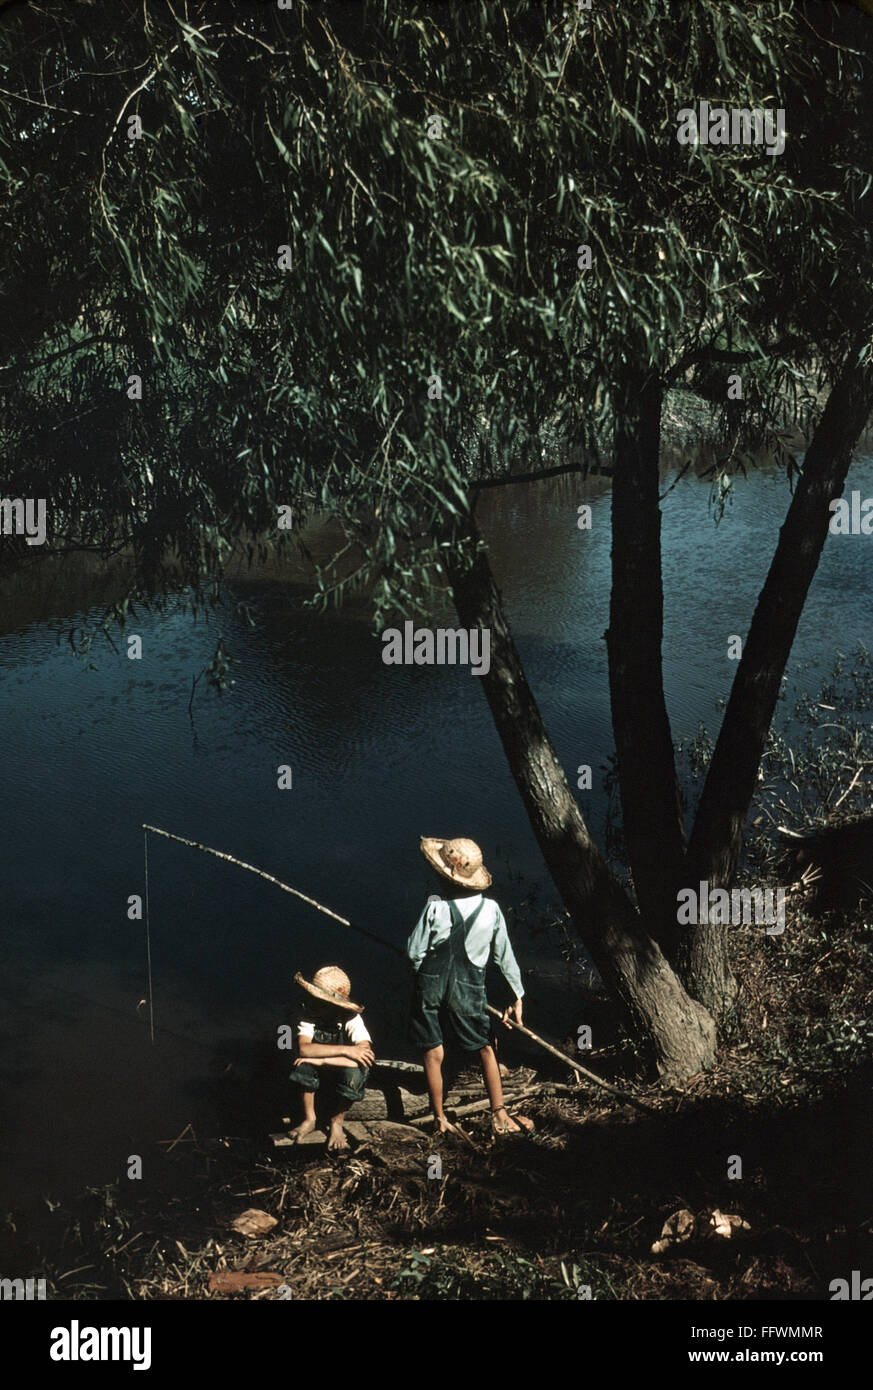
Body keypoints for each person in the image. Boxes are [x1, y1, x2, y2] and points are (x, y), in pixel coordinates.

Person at [407, 836, 533, 1136]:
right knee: (486, 1048)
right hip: (469, 987)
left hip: (430, 985)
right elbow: (504, 957)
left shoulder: (434, 907)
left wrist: (424, 975)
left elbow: (413, 953)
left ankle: (439, 1118)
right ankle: (499, 1114)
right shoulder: (490, 910)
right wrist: (517, 994)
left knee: (433, 1051)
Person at [287, 966, 374, 1151]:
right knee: (302, 1067)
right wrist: (347, 1051)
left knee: (354, 1074)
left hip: (338, 1071)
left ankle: (337, 1122)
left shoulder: (351, 1020)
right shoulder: (308, 1018)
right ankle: (310, 1118)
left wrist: (323, 1060)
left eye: (318, 1003)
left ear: (332, 1005)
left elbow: (363, 1059)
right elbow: (305, 1049)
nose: (311, 1005)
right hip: (321, 1072)